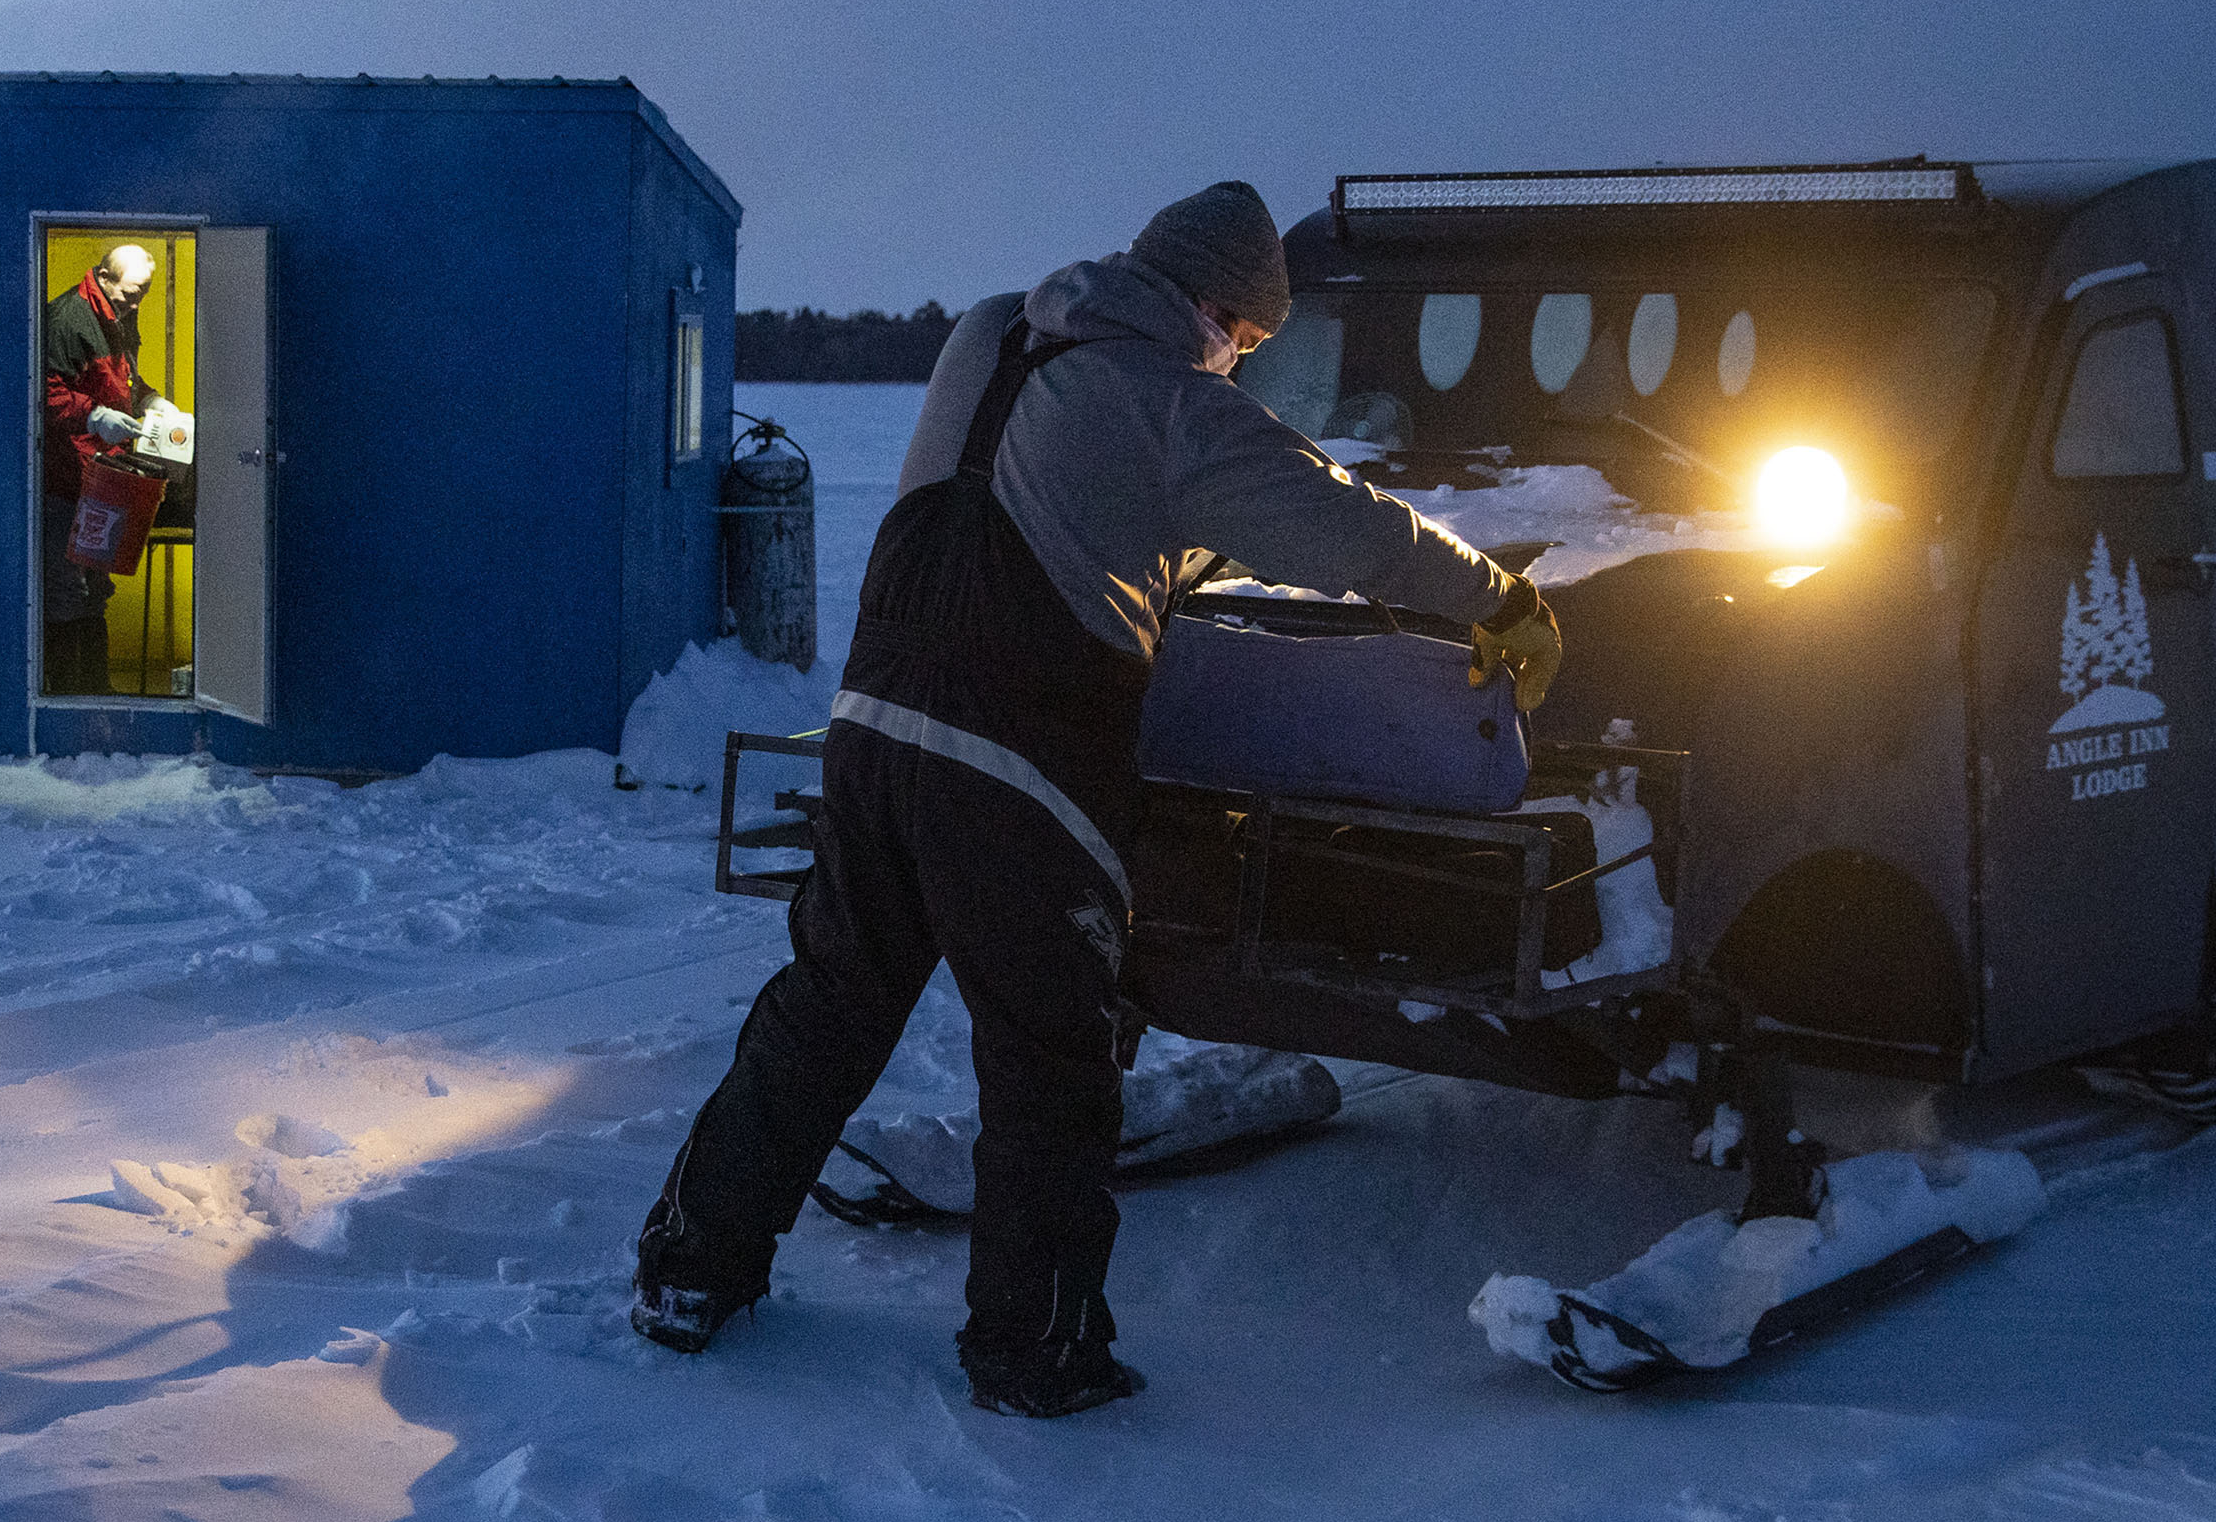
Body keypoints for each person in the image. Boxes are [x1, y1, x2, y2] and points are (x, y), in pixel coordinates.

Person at [631, 181, 1564, 1416]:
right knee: (1049, 1066)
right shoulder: (1176, 404)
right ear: (1221, 312)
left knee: (827, 1009)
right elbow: (1344, 529)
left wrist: (1182, 538)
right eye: (1249, 343)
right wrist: (1497, 597)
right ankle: (1037, 1352)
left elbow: (1065, 489)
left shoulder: (989, 332)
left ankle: (689, 1268)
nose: (1242, 364)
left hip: (871, 730)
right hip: (1013, 773)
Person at [40, 244, 157, 696]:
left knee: (94, 589)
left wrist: (147, 398)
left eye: (143, 294)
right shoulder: (69, 320)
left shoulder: (118, 314)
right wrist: (94, 416)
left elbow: (120, 378)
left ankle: (94, 688)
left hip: (102, 479)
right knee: (68, 590)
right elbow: (45, 390)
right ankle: (69, 693)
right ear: (105, 278)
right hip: (67, 480)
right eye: (130, 292)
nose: (135, 302)